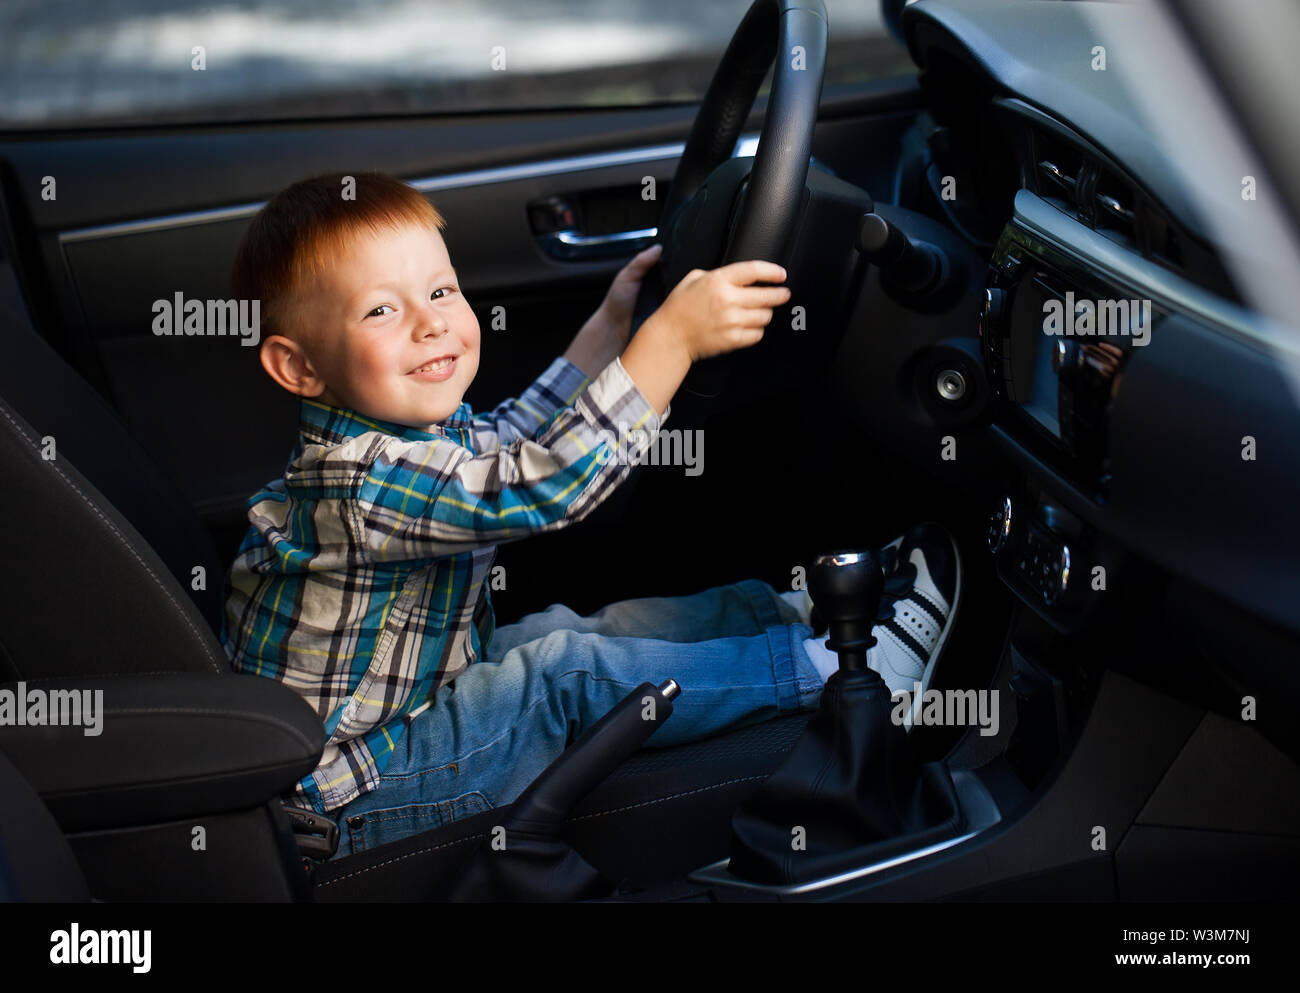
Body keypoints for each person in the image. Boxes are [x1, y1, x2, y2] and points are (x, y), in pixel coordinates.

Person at [220, 171, 960, 860]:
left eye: (442, 291)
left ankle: (799, 615)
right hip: (363, 796)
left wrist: (614, 327)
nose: (431, 324)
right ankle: (844, 672)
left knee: (573, 628)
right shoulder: (363, 484)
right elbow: (546, 483)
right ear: (300, 368)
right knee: (560, 672)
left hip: (411, 715)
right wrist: (667, 341)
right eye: (382, 309)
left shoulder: (403, 436)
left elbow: (516, 434)